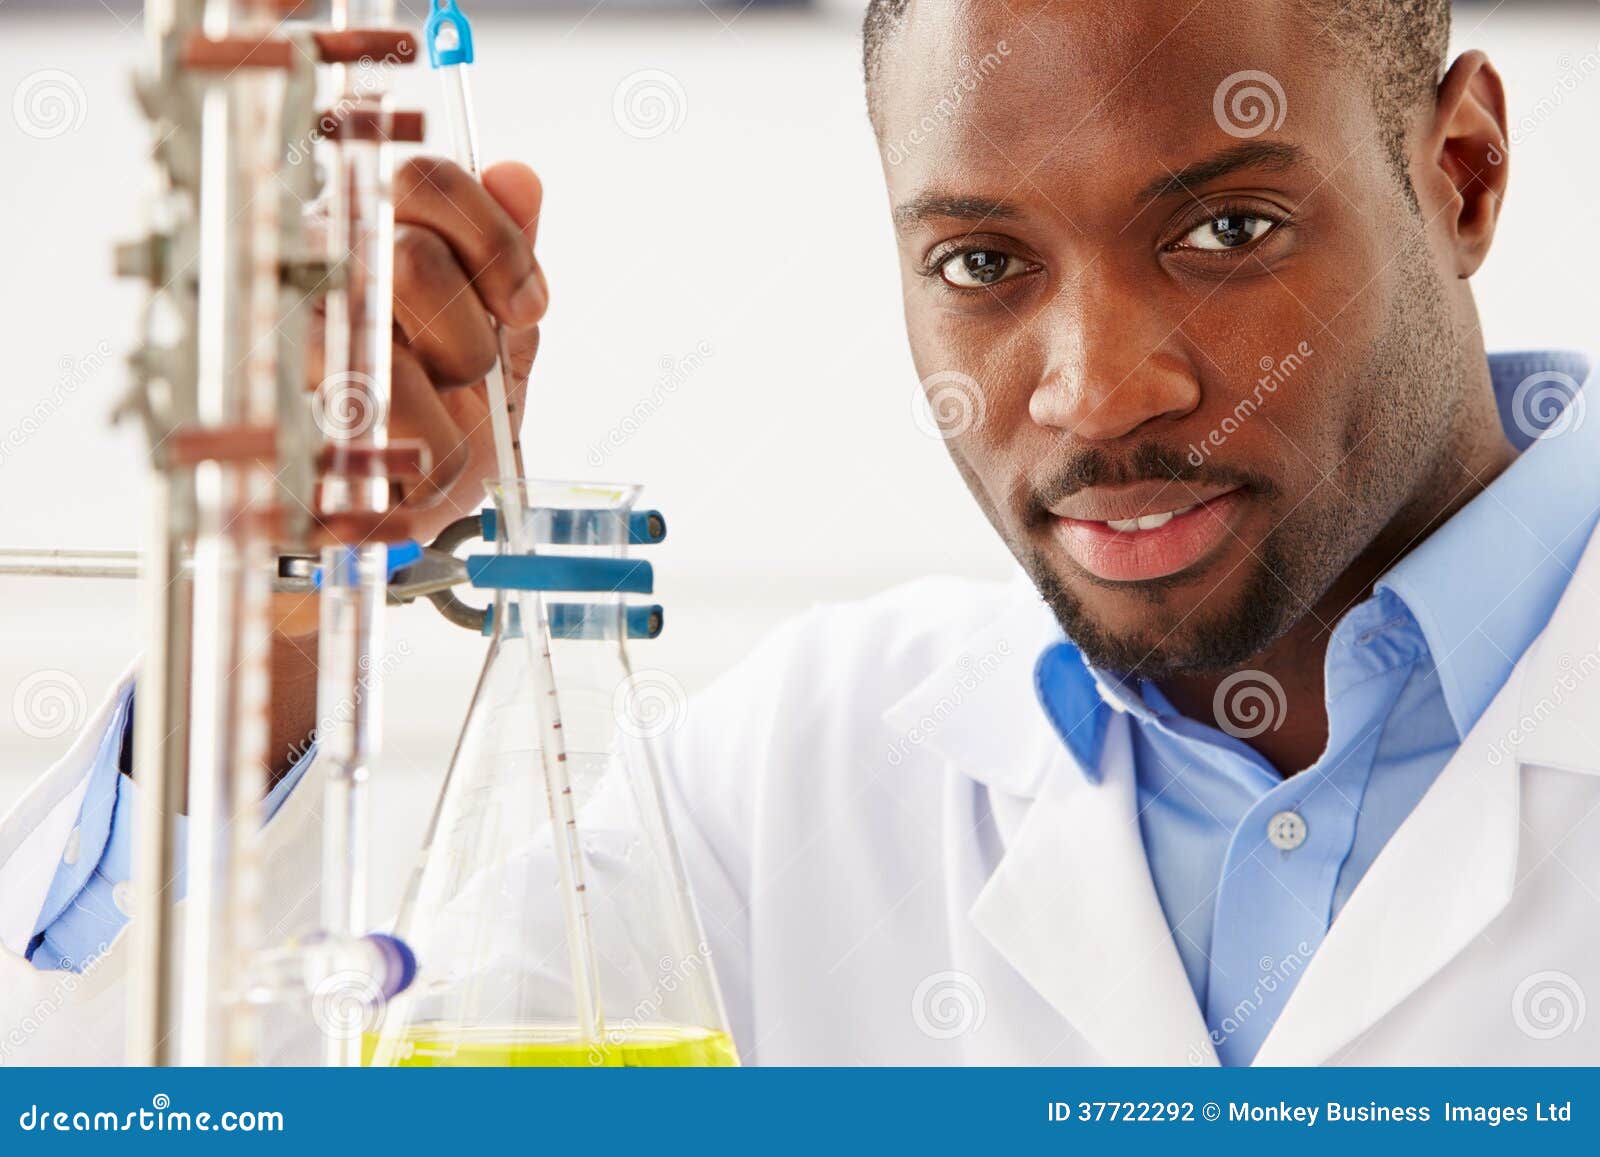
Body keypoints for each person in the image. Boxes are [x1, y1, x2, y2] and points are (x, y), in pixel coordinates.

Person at [3, 0, 1599, 1066]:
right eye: (983, 264)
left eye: (1225, 228)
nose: (1099, 389)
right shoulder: (792, 788)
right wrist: (282, 589)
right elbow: (194, 1082)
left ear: (1459, 175)